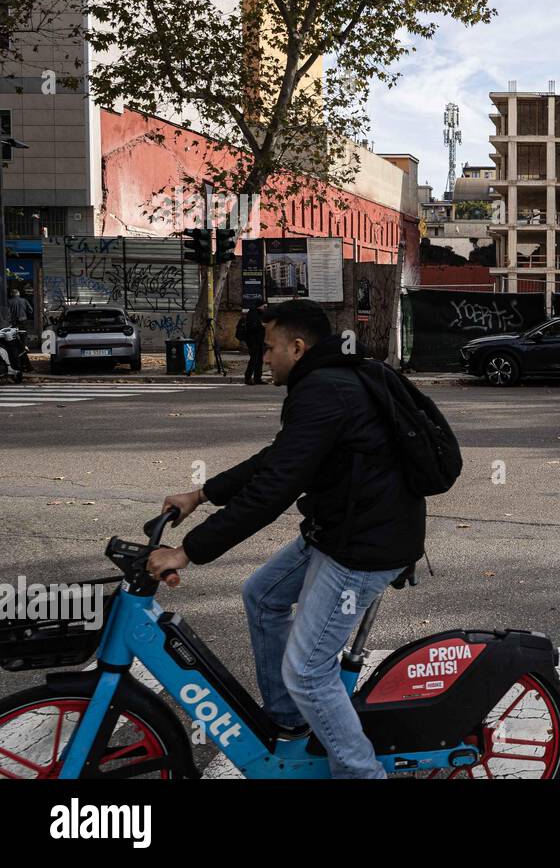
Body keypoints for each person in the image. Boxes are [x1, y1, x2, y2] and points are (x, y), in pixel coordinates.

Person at [144, 299, 426, 778]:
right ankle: (290, 721)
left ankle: (362, 774)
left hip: (362, 548)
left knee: (308, 673)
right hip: (341, 531)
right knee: (263, 595)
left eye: (270, 347)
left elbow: (274, 490)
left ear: (298, 347)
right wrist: (203, 494)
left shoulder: (324, 389)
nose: (264, 356)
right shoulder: (326, 381)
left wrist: (187, 551)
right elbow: (279, 457)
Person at [241, 301, 268, 385]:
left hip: (261, 341)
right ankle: (248, 378)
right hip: (253, 341)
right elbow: (252, 327)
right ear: (259, 306)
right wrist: (261, 325)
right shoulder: (252, 314)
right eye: (264, 306)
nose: (265, 308)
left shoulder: (262, 314)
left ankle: (258, 378)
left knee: (260, 360)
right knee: (253, 360)